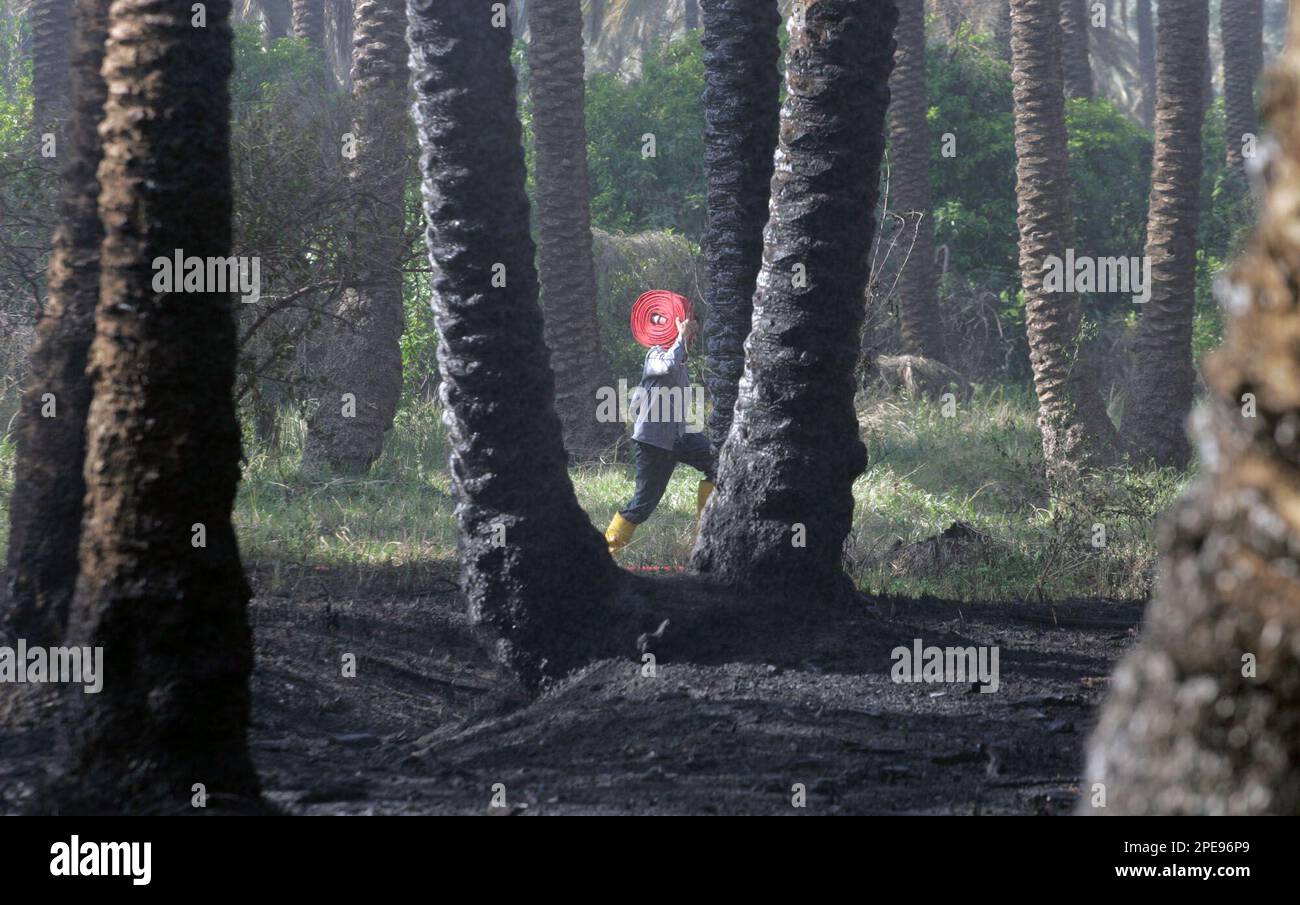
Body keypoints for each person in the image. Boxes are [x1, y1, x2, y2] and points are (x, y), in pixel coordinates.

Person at [604, 315, 716, 554]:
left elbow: (674, 366)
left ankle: (704, 539)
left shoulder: (681, 359)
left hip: (679, 436)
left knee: (719, 462)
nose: (692, 334)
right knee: (642, 504)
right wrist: (680, 336)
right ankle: (608, 552)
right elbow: (667, 367)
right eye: (689, 329)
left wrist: (683, 339)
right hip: (653, 442)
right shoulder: (654, 355)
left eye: (693, 330)